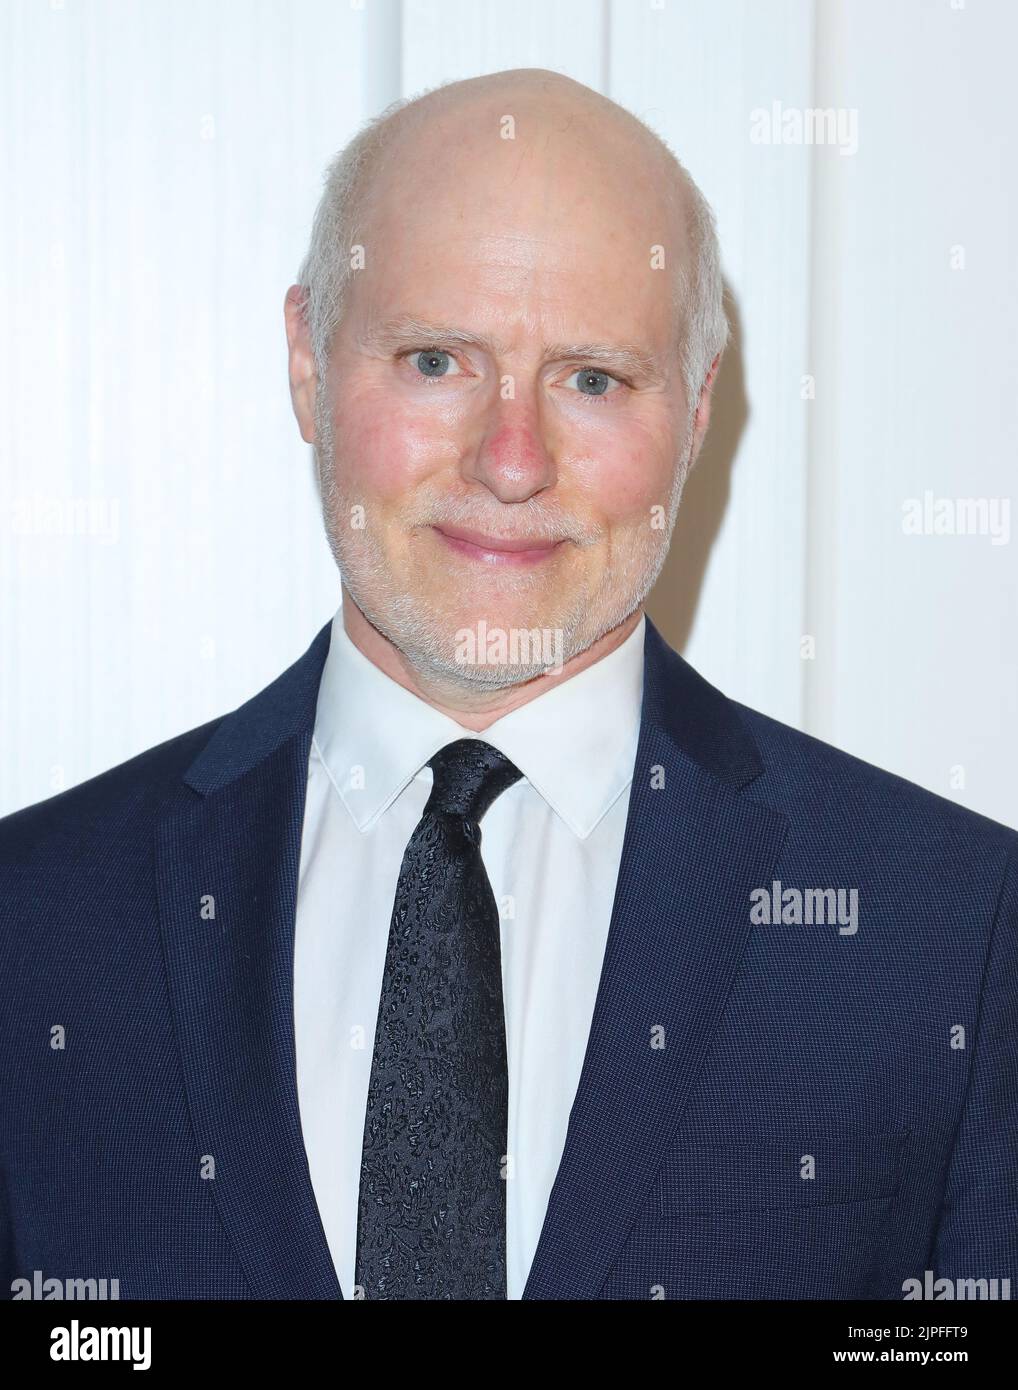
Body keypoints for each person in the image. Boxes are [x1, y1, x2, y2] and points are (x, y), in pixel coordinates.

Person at [1, 68, 1015, 1302]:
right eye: (435, 360)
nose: (512, 460)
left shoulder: (955, 932)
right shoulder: (34, 925)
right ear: (309, 364)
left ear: (696, 414)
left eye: (592, 378)